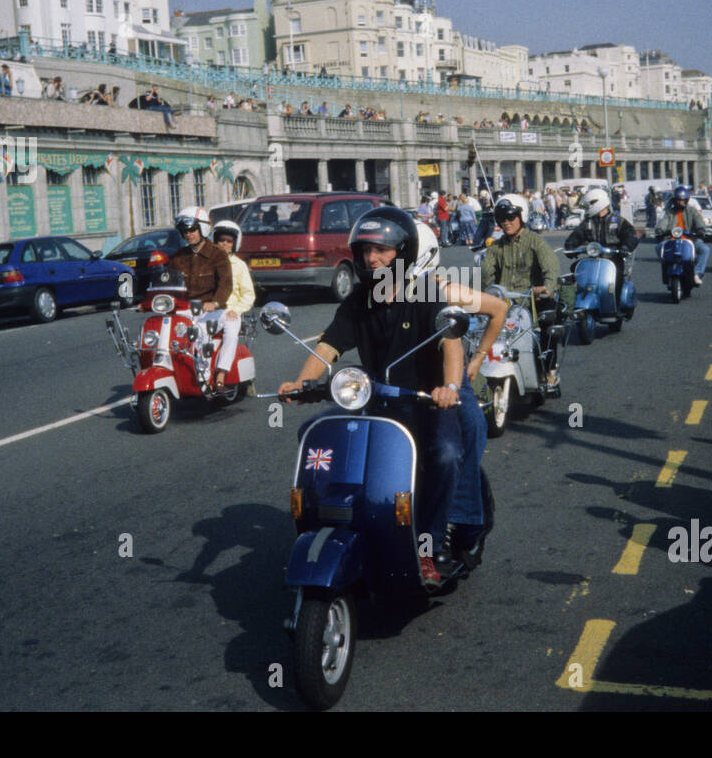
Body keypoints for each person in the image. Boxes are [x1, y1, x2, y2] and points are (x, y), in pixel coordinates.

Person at [278, 208, 465, 589]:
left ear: (403, 252)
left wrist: (450, 388)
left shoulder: (426, 293)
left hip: (426, 402)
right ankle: (326, 526)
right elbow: (328, 347)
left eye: (381, 250)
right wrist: (301, 382)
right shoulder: (358, 301)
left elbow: (452, 344)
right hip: (375, 401)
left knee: (445, 454)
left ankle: (429, 542)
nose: (371, 259)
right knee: (315, 432)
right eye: (365, 251)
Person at [410, 223, 506, 569]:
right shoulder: (380, 291)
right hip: (399, 382)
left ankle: (458, 525)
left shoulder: (445, 291)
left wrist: (478, 358)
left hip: (448, 386)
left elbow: (499, 309)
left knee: (469, 431)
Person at [478, 193, 564, 389]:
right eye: (501, 219)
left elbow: (551, 265)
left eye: (510, 217)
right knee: (476, 328)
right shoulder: (496, 247)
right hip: (505, 301)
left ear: (521, 216)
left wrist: (548, 287)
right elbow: (485, 272)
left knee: (547, 325)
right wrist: (480, 291)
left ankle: (549, 369)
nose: (506, 223)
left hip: (533, 299)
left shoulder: (535, 241)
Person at [168, 206, 233, 389]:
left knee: (201, 332)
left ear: (202, 229)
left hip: (210, 311)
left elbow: (226, 284)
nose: (188, 234)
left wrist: (215, 302)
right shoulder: (179, 257)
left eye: (192, 230)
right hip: (185, 310)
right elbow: (167, 282)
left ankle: (204, 379)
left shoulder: (217, 254)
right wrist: (149, 302)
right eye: (185, 231)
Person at [202, 220, 254, 394]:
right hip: (208, 312)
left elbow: (248, 295)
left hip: (229, 311)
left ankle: (221, 376)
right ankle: (201, 374)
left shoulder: (239, 266)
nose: (224, 243)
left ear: (234, 244)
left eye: (229, 240)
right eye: (221, 240)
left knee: (231, 331)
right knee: (194, 332)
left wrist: (236, 310)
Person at [565, 187, 638, 303]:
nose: (588, 208)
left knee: (617, 277)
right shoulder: (588, 223)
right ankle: (576, 298)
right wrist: (570, 246)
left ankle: (616, 303)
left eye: (589, 205)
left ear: (599, 203)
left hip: (613, 258)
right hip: (593, 258)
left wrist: (625, 247)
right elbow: (577, 235)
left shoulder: (617, 221)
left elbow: (631, 235)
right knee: (576, 268)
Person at [655, 186, 710, 285]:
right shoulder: (669, 212)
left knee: (704, 249)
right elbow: (663, 222)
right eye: (678, 200)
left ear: (687, 200)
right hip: (671, 240)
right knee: (659, 247)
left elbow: (699, 221)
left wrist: (700, 230)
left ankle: (697, 273)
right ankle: (667, 268)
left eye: (683, 200)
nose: (680, 202)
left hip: (690, 240)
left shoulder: (692, 210)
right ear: (674, 200)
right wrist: (660, 230)